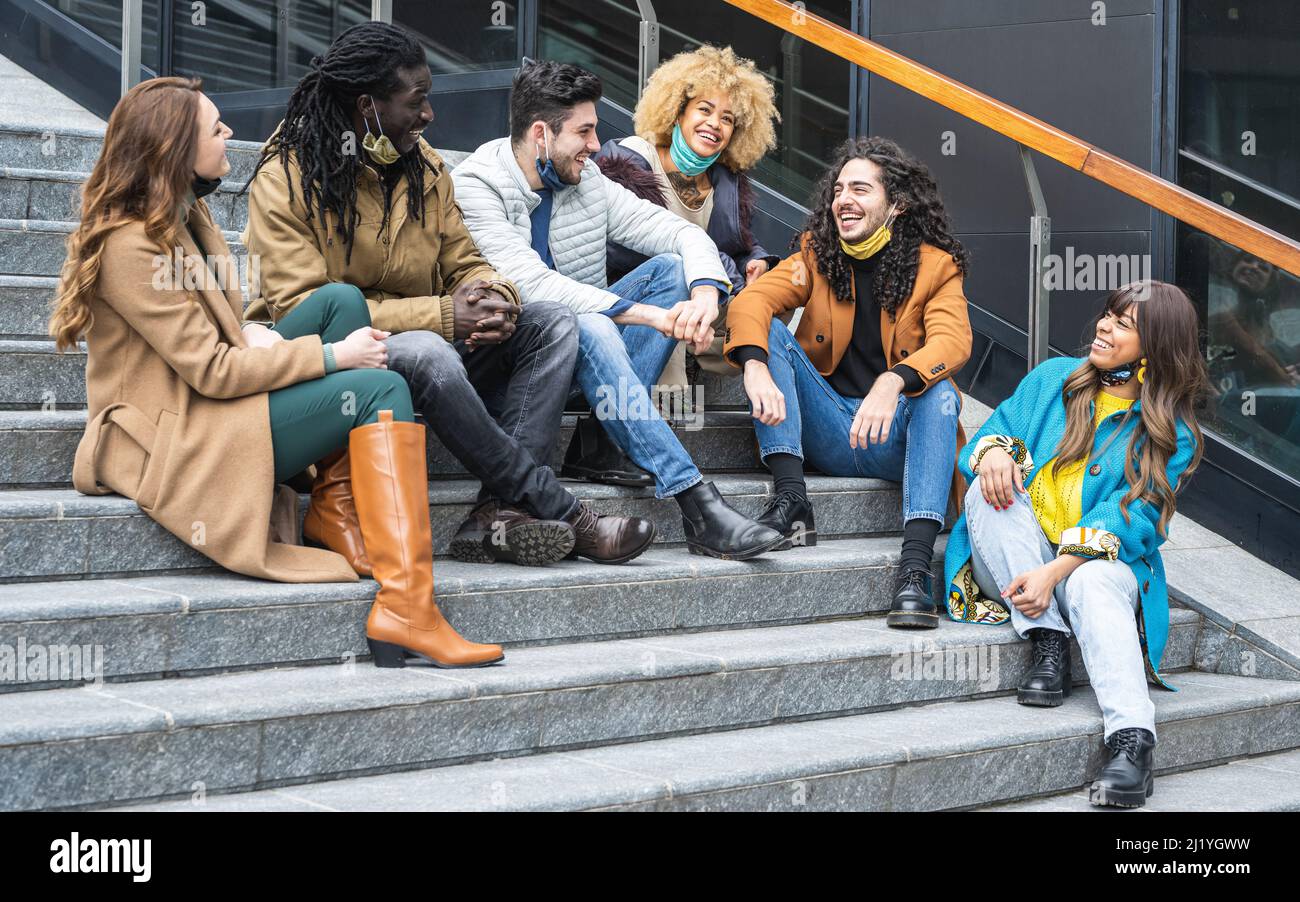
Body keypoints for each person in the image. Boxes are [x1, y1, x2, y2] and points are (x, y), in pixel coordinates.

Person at [50, 76, 501, 668]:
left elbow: (218, 337)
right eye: (215, 128)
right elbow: (211, 370)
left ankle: (336, 511)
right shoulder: (130, 247)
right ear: (173, 148)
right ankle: (406, 607)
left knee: (339, 301)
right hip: (173, 434)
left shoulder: (189, 216)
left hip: (203, 399)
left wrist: (255, 337)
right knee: (381, 386)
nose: (229, 133)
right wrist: (334, 358)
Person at [241, 23, 655, 568]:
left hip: (433, 348)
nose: (430, 114)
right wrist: (442, 315)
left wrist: (493, 296)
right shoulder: (289, 175)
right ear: (368, 106)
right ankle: (559, 508)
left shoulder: (425, 166)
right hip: (340, 362)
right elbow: (306, 308)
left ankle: (498, 516)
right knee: (429, 350)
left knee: (553, 321)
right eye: (418, 101)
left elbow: (466, 261)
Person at [452, 60, 783, 561]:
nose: (594, 146)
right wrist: (645, 315)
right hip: (510, 370)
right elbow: (531, 284)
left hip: (586, 356)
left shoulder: (587, 182)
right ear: (541, 134)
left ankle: (603, 437)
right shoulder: (478, 182)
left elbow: (681, 231)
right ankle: (697, 503)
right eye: (584, 132)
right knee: (588, 322)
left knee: (671, 268)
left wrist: (705, 294)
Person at [943, 281, 1208, 808]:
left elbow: (1134, 518)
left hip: (1091, 574)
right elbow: (988, 435)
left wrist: (1056, 571)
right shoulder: (1052, 379)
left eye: (1123, 324)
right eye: (1108, 315)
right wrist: (994, 453)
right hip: (1016, 562)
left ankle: (1132, 742)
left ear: (1155, 347)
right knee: (988, 496)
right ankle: (1048, 642)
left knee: (1090, 574)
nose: (1104, 327)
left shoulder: (1171, 433)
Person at [723, 137, 973, 622]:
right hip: (831, 428)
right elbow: (753, 301)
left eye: (860, 189)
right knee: (768, 332)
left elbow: (953, 344)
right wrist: (753, 363)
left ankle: (915, 570)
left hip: (892, 439)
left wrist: (894, 380)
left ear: (896, 204)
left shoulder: (937, 268)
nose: (843, 200)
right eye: (838, 190)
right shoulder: (818, 256)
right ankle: (792, 499)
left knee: (940, 394)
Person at [594, 44, 781, 392]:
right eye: (705, 110)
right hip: (635, 297)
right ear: (678, 112)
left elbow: (741, 247)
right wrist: (725, 276)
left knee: (776, 300)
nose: (715, 124)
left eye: (727, 118)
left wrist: (757, 265)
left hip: (706, 299)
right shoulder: (630, 159)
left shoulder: (727, 181)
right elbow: (620, 249)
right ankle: (663, 396)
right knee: (676, 270)